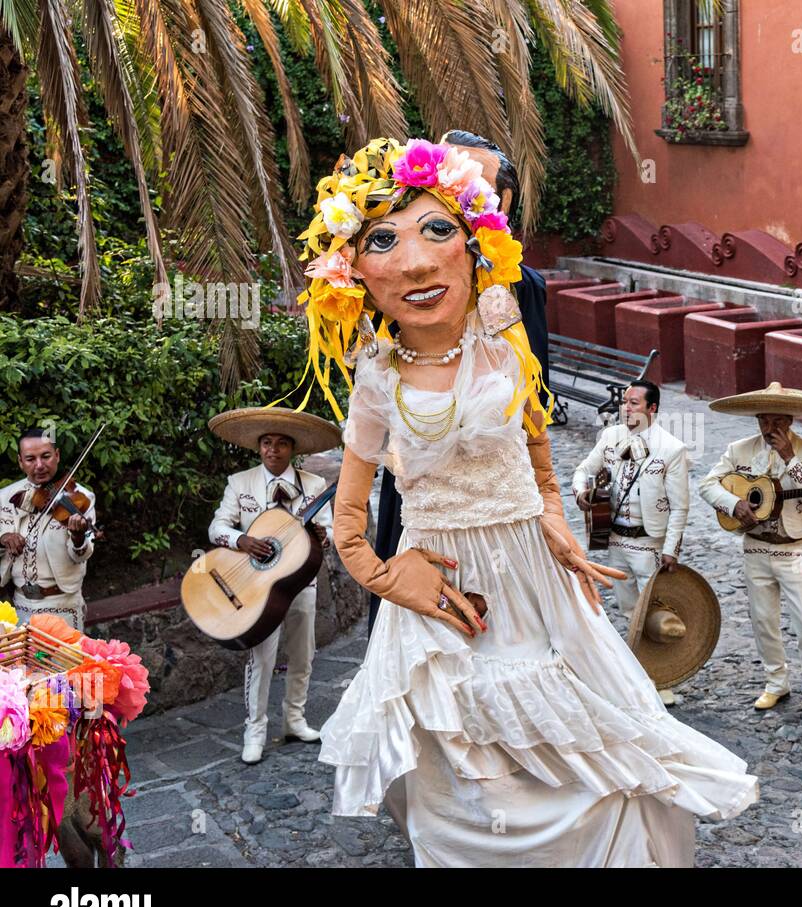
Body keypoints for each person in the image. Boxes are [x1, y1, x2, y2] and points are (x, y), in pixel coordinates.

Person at [298, 136, 757, 867]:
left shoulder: (506, 342)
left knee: (601, 767)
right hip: (443, 590)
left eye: (437, 229)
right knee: (460, 786)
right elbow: (348, 520)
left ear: (477, 245)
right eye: (382, 239)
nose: (415, 261)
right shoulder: (376, 378)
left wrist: (556, 525)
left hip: (534, 582)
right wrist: (388, 579)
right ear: (353, 274)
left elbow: (541, 465)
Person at [369, 130, 550, 635]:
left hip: (500, 490)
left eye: (482, 197)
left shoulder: (522, 288)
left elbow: (535, 394)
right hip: (418, 480)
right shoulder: (394, 274)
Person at [699, 382, 802, 719]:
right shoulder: (739, 450)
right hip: (755, 548)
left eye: (777, 421)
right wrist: (733, 504)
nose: (769, 429)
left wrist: (790, 458)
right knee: (763, 620)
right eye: (763, 421)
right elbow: (707, 484)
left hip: (793, 550)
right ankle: (776, 682)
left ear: (789, 421)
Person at [207, 409, 339, 764]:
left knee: (303, 654)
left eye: (282, 444)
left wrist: (322, 537)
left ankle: (295, 719)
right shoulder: (240, 482)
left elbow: (328, 533)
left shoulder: (313, 485)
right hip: (257, 586)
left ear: (292, 450)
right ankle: (255, 729)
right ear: (259, 448)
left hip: (300, 583)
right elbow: (216, 528)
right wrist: (242, 541)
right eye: (267, 443)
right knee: (261, 658)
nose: (273, 450)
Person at [573, 379, 690, 705]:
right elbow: (584, 469)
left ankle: (662, 676)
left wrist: (671, 549)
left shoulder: (672, 449)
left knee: (654, 612)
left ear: (652, 408)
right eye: (625, 401)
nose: (627, 407)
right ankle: (640, 675)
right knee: (628, 610)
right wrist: (582, 493)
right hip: (613, 540)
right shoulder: (610, 437)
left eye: (635, 403)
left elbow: (680, 506)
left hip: (649, 544)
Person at [0, 428, 95, 630]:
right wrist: (4, 538)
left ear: (57, 455)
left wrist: (78, 537)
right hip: (20, 605)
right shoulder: (6, 497)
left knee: (65, 662)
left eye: (46, 456)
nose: (40, 465)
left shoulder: (79, 499)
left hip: (62, 606)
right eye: (30, 459)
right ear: (20, 461)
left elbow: (81, 555)